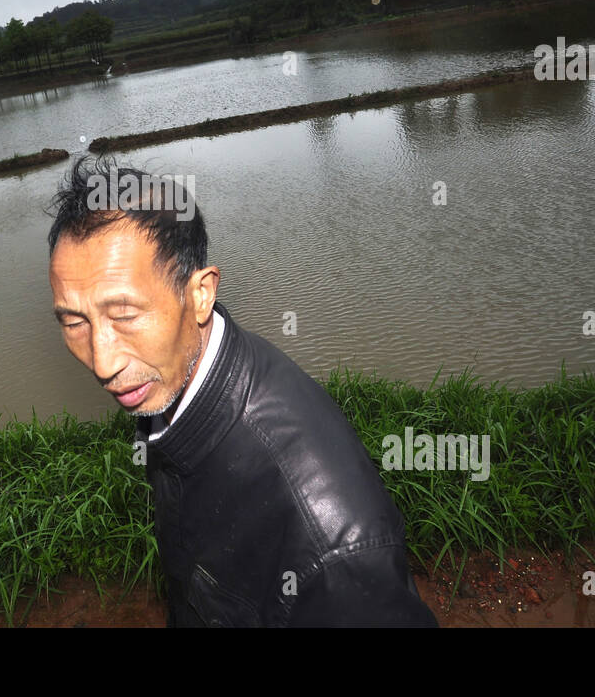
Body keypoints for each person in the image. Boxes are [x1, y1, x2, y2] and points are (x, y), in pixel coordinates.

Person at [45, 155, 438, 627]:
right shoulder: (172, 390)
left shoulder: (333, 548)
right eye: (74, 321)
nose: (103, 362)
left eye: (125, 315)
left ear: (200, 294)